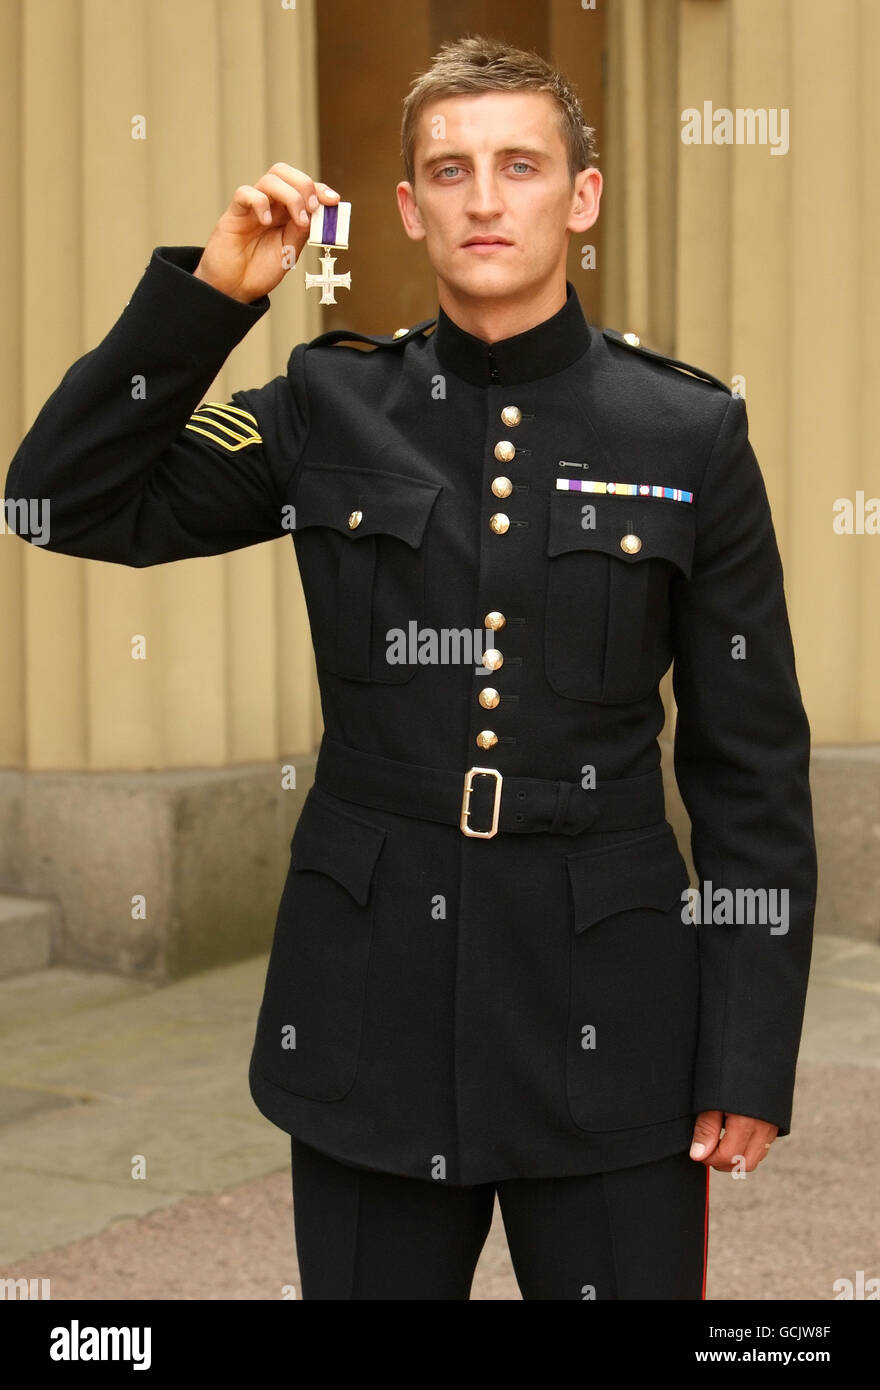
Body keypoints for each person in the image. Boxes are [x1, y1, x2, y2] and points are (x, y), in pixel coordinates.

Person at [4, 35, 817, 1300]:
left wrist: (749, 1051)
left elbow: (751, 766)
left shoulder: (685, 431)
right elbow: (55, 503)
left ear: (581, 197)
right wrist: (209, 300)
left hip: (609, 1016)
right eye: (448, 170)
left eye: (518, 166)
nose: (483, 198)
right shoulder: (328, 404)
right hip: (369, 1006)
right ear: (407, 206)